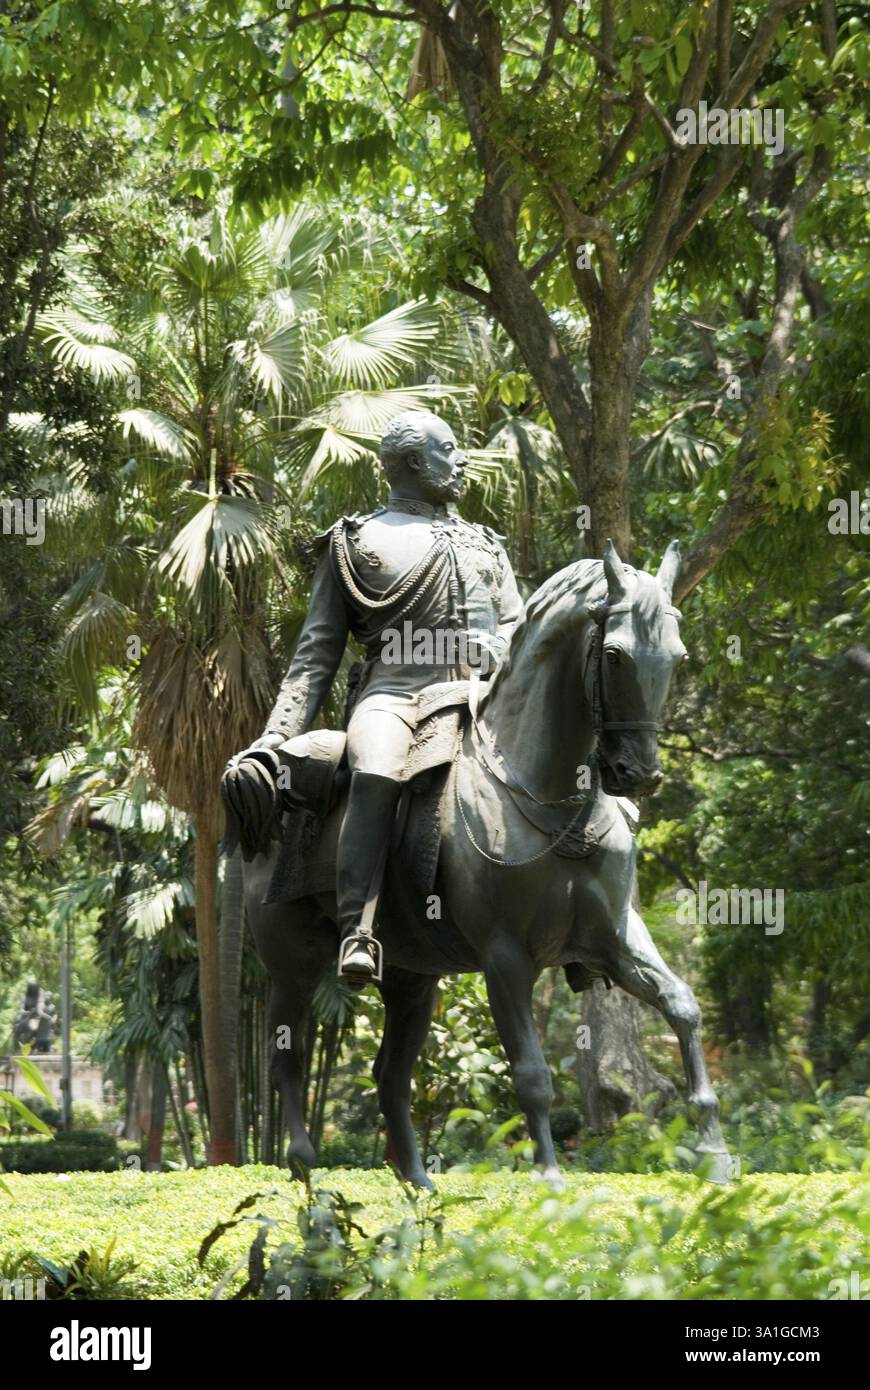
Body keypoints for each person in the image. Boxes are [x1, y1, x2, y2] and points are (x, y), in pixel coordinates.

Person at [243, 411, 523, 988]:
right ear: (416, 463)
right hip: (395, 696)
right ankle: (358, 931)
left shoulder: (484, 542)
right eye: (450, 449)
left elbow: (519, 622)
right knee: (376, 771)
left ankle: (578, 928)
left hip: (482, 696)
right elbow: (317, 651)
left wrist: (499, 644)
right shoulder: (355, 541)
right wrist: (276, 734)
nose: (462, 458)